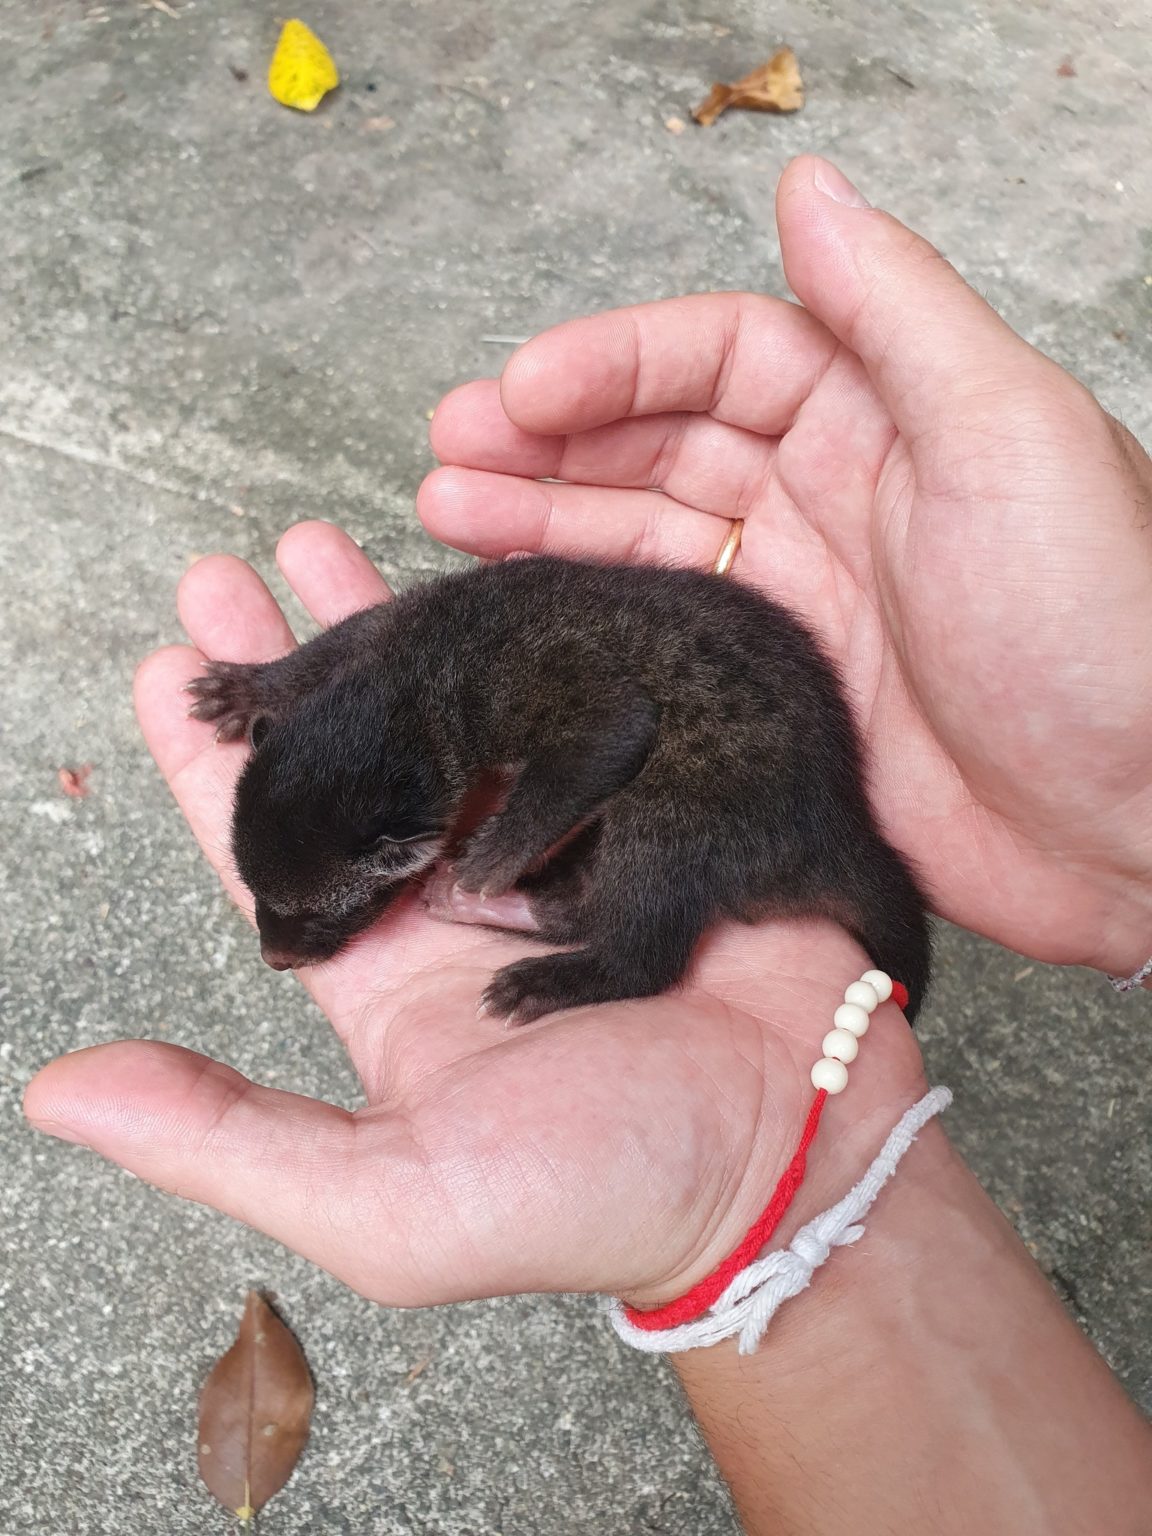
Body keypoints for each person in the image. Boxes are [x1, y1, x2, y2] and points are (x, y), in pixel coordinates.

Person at [25, 157, 1152, 1532]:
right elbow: (359, 646)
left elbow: (610, 730)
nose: (294, 944)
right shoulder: (407, 660)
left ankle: (624, 962)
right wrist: (270, 688)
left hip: (736, 753)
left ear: (397, 851)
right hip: (673, 701)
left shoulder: (487, 706)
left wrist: (508, 859)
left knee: (657, 839)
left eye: (315, 913)